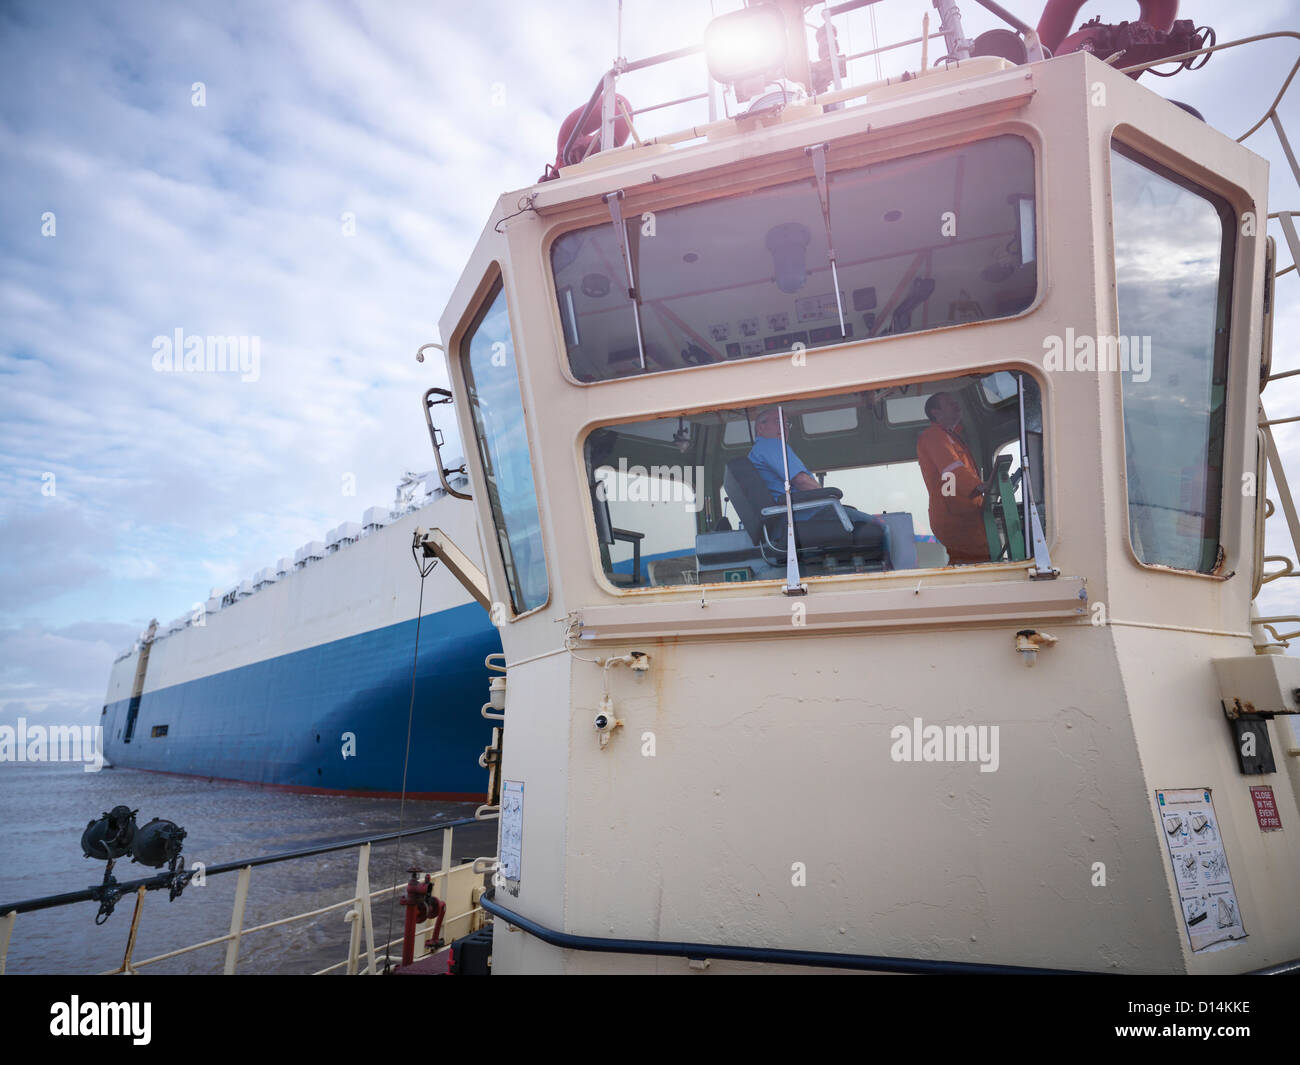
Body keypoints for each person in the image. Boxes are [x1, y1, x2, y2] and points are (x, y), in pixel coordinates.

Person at [747, 406, 891, 564]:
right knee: (882, 527)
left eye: (787, 424)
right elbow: (801, 481)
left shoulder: (757, 452)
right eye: (778, 422)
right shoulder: (772, 445)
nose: (784, 428)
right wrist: (828, 499)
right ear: (761, 427)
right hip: (806, 516)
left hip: (792, 519)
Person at [916, 392, 989, 565]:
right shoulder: (933, 436)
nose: (957, 405)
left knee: (975, 562)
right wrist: (979, 487)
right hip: (954, 516)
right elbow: (951, 468)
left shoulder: (951, 437)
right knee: (977, 562)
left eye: (956, 402)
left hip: (965, 512)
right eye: (950, 403)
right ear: (936, 412)